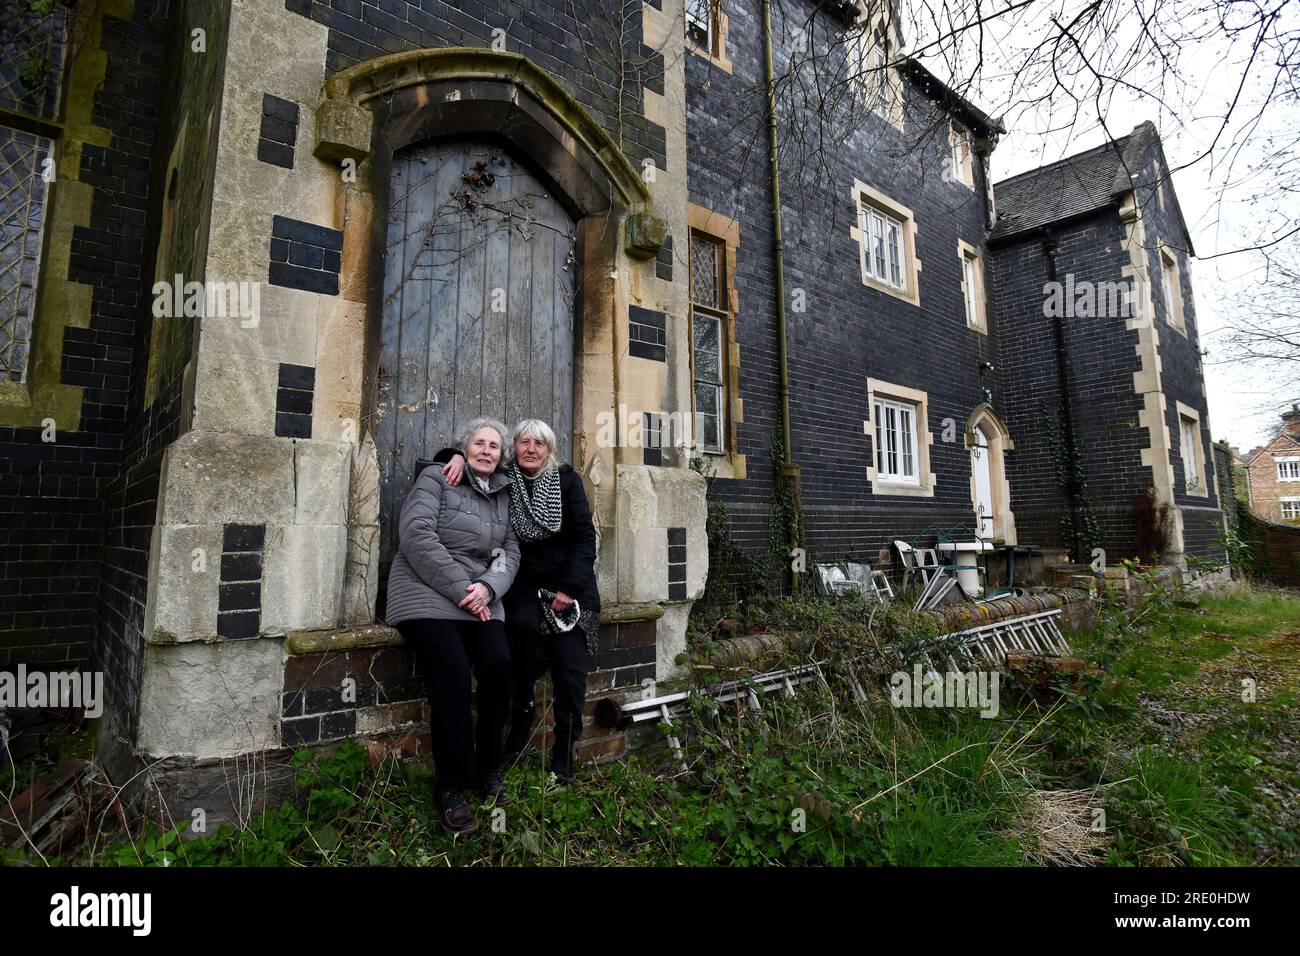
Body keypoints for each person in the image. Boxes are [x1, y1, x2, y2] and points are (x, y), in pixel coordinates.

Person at [438, 419, 599, 784]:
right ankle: (523, 705)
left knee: (569, 666)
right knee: (518, 629)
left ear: (549, 449)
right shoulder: (504, 480)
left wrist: (570, 588)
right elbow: (473, 463)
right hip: (526, 585)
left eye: (538, 444)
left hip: (569, 587)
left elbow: (585, 538)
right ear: (515, 448)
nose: (530, 449)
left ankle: (563, 756)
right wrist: (454, 457)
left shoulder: (566, 481)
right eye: (524, 442)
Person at [384, 418, 519, 834]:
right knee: (454, 673)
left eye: (494, 446)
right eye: (478, 443)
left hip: (478, 599)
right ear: (465, 447)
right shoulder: (437, 477)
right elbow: (416, 535)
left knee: (498, 664)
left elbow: (511, 552)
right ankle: (451, 787)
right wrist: (463, 586)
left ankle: (488, 767)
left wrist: (488, 587)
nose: (486, 451)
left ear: (501, 456)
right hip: (426, 593)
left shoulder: (505, 494)